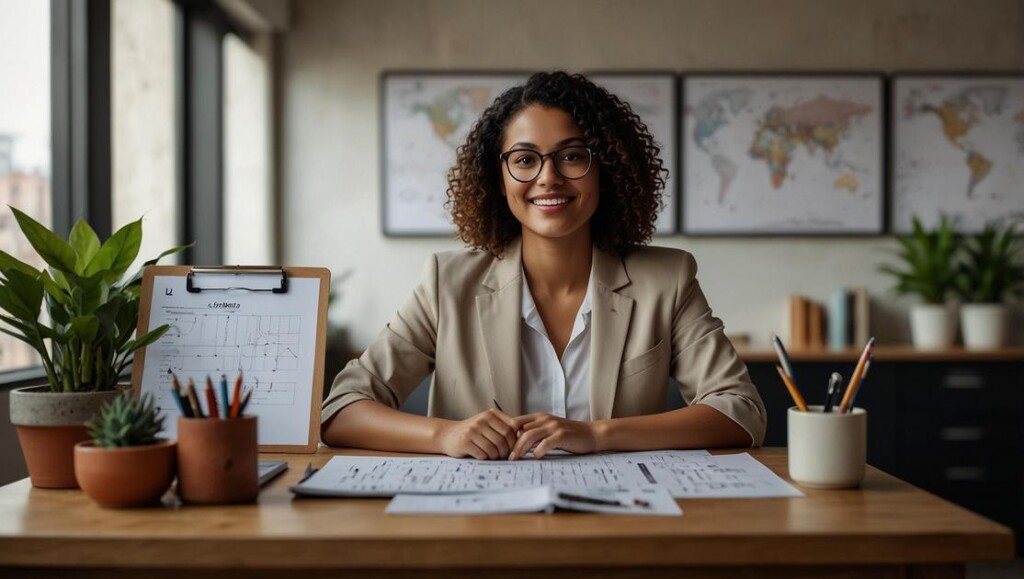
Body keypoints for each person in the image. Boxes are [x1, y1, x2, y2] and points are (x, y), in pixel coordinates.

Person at [321, 71, 766, 460]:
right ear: (500, 178)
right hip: (480, 524)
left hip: (624, 522)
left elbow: (740, 411)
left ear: (604, 170)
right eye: (525, 159)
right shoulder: (447, 283)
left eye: (572, 156)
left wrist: (597, 435)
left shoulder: (667, 279)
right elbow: (341, 409)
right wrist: (447, 434)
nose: (548, 177)